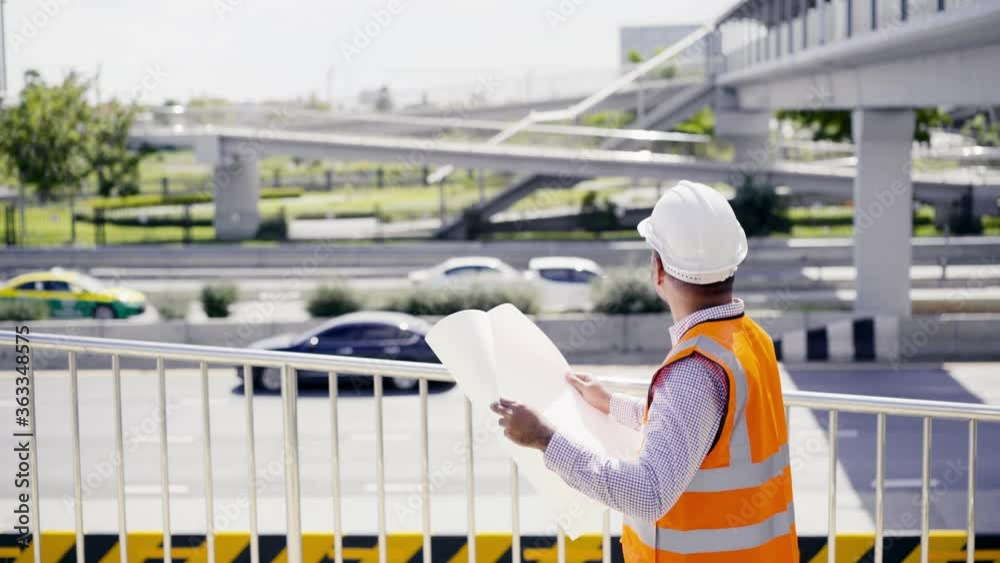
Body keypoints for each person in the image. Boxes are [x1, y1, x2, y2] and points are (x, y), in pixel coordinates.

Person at [491, 180, 798, 562]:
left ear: (657, 269)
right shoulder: (750, 341)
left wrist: (543, 438)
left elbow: (648, 493)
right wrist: (611, 405)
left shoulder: (695, 369)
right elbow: (701, 433)